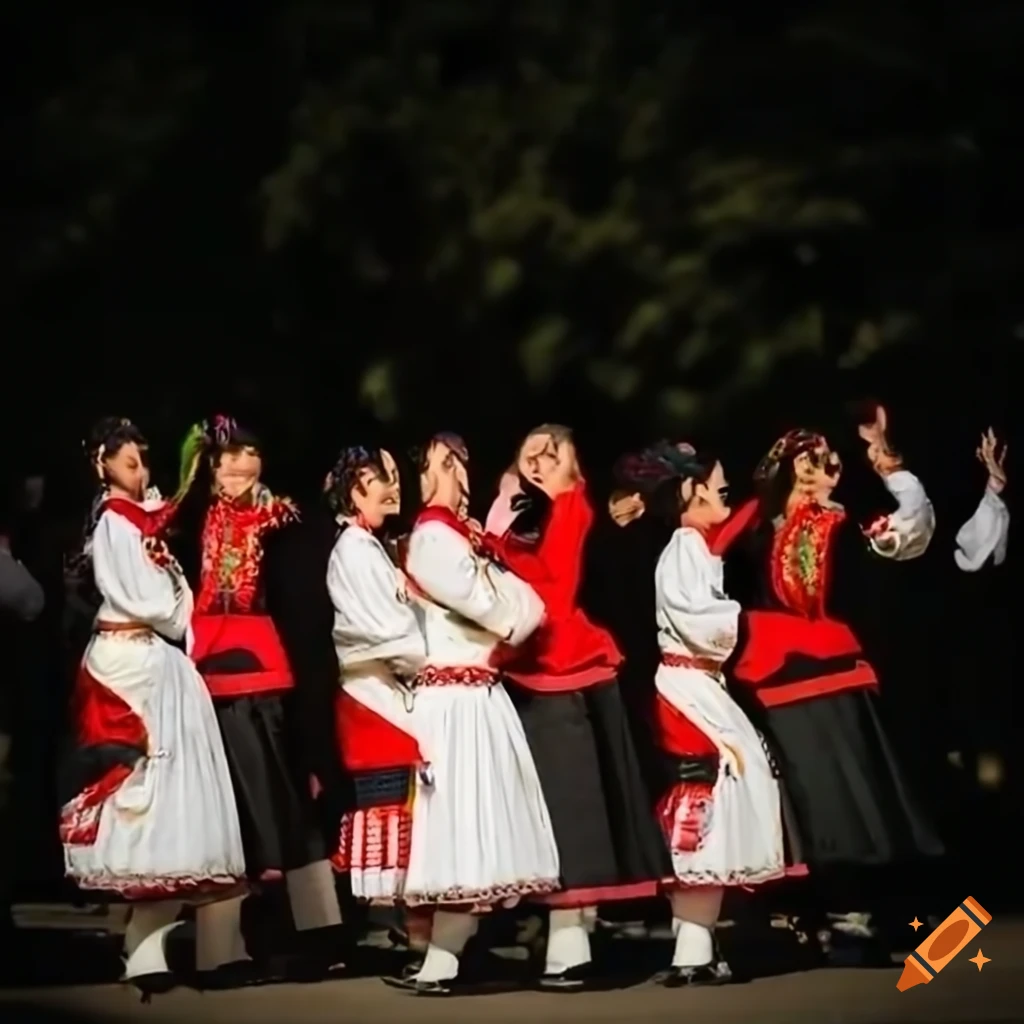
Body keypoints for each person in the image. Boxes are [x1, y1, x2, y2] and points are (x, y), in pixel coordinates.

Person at [727, 420, 943, 956]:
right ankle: (817, 914)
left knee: (853, 795)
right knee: (804, 798)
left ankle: (877, 918)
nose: (813, 463)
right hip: (773, 681)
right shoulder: (753, 529)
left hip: (834, 678)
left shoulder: (846, 527)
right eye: (802, 455)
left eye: (823, 456)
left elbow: (909, 534)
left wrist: (893, 471)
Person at [57, 417, 245, 999]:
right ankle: (142, 942)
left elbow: (171, 597)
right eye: (129, 463)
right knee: (146, 788)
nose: (140, 475)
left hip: (154, 663)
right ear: (103, 466)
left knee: (174, 798)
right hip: (129, 663)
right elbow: (150, 599)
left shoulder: (137, 522)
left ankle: (148, 944)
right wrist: (172, 597)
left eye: (143, 463)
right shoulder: (116, 521)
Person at [488, 425, 672, 990]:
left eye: (554, 452)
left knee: (572, 809)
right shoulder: (542, 514)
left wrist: (496, 541)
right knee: (557, 807)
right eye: (531, 455)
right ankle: (558, 939)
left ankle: (568, 947)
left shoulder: (573, 507)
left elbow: (557, 590)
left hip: (563, 673)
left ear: (575, 463)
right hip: (542, 673)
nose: (541, 462)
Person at [172, 415, 343, 987]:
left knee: (279, 808)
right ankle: (220, 951)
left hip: (265, 679)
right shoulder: (186, 519)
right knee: (217, 820)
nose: (240, 466)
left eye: (250, 454)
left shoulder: (285, 521)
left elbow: (308, 611)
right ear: (207, 465)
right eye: (227, 456)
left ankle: (315, 936)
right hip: (199, 679)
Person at [389, 432, 560, 996]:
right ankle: (439, 956)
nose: (450, 469)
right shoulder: (434, 536)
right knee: (456, 826)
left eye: (455, 461)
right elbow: (501, 609)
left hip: (477, 696)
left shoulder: (461, 537)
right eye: (439, 461)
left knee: (475, 825)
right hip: (452, 701)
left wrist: (505, 590)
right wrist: (505, 595)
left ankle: (446, 956)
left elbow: (529, 607)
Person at [619, 441, 787, 985]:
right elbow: (698, 618)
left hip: (698, 683)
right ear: (689, 492)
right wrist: (748, 620)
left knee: (715, 799)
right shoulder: (685, 546)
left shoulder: (694, 547)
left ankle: (695, 948)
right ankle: (691, 949)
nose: (723, 491)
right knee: (705, 806)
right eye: (715, 485)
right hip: (688, 686)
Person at [325, 446, 425, 902]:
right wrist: (432, 663)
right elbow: (386, 631)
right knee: (394, 805)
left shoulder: (370, 548)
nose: (393, 486)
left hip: (384, 691)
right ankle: (414, 930)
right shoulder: (354, 550)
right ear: (354, 491)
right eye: (380, 478)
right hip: (374, 695)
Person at [955, 428, 1009, 572]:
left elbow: (999, 480)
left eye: (992, 440)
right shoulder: (983, 461)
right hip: (985, 508)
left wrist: (988, 456)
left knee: (986, 539)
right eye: (987, 439)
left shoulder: (1000, 464)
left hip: (991, 510)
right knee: (979, 538)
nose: (988, 443)